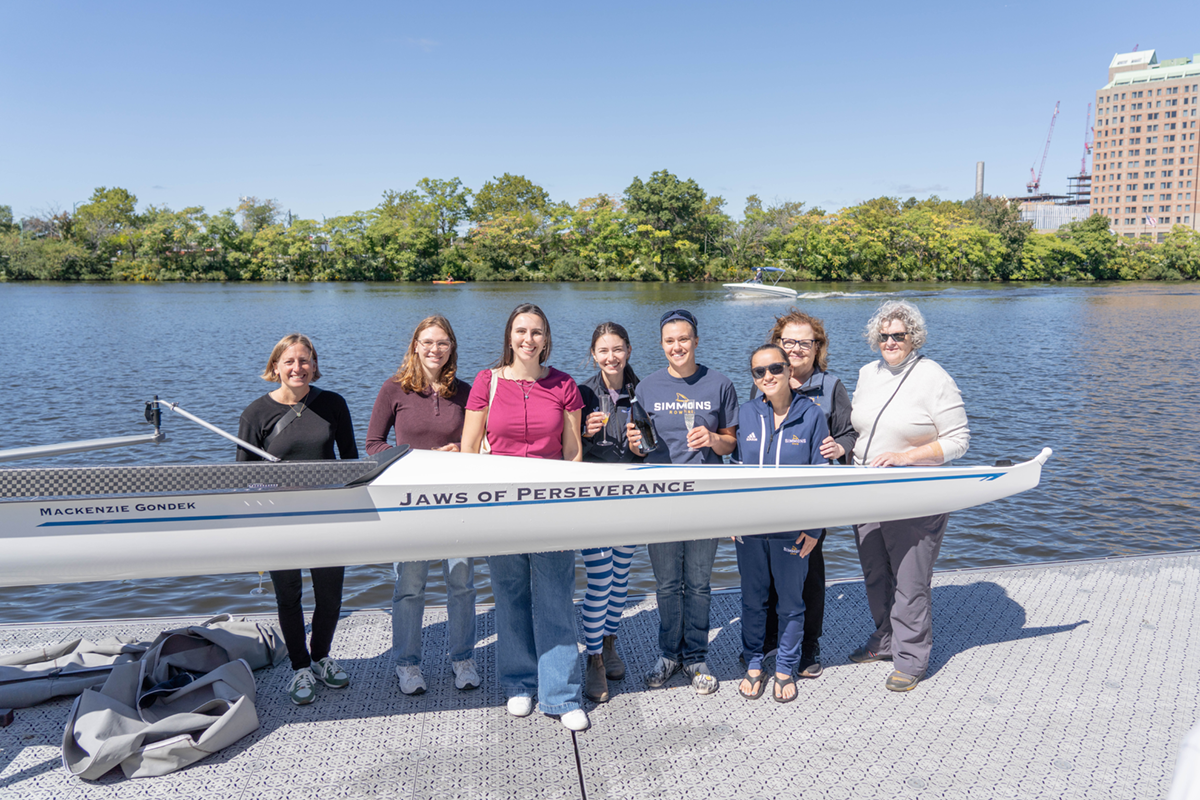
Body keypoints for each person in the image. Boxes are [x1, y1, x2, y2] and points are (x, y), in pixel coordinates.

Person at [460, 303, 588, 731]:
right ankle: (519, 683)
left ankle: (561, 694)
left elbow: (573, 452)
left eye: (536, 332)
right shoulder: (487, 382)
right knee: (510, 594)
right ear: (509, 337)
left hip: (550, 507)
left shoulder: (564, 384)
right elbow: (469, 449)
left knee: (555, 598)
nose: (528, 339)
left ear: (546, 339)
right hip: (501, 507)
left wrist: (569, 504)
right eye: (520, 331)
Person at [848, 299, 970, 692]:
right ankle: (885, 640)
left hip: (914, 494)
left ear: (913, 337)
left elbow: (958, 441)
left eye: (898, 335)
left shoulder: (934, 377)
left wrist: (906, 457)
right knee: (875, 573)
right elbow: (861, 429)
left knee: (910, 580)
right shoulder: (867, 373)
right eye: (884, 336)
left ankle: (911, 658)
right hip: (866, 491)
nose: (890, 342)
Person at [237, 333, 357, 706]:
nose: (297, 368)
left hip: (328, 517)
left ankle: (320, 658)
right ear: (275, 366)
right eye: (289, 361)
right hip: (279, 520)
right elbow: (242, 479)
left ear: (314, 365)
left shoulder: (333, 404)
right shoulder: (255, 414)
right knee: (289, 597)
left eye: (304, 360)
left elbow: (351, 462)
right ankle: (300, 667)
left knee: (330, 596)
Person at [365, 314, 478, 697]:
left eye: (442, 342)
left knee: (461, 583)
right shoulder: (394, 390)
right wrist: (418, 457)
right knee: (410, 586)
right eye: (428, 342)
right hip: (409, 504)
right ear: (415, 345)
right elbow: (373, 445)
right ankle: (408, 664)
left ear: (452, 348)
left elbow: (481, 442)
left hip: (457, 503)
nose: (435, 349)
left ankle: (463, 658)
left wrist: (461, 450)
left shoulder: (465, 392)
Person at [626, 308, 738, 696]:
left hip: (705, 498)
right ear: (662, 345)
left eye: (684, 339)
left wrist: (713, 439)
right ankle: (668, 655)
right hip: (660, 498)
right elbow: (640, 447)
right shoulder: (647, 388)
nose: (678, 346)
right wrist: (636, 445)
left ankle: (696, 657)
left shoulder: (719, 384)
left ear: (696, 341)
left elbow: (730, 443)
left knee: (699, 583)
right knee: (668, 584)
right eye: (670, 340)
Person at [759, 310, 859, 679]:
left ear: (818, 347)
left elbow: (850, 432)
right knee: (769, 568)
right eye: (789, 342)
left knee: (809, 571)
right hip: (771, 494)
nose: (796, 349)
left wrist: (841, 447)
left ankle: (808, 644)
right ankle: (771, 638)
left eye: (805, 342)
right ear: (778, 344)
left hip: (813, 496)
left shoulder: (831, 387)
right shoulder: (766, 379)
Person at [733, 344, 829, 702]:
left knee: (790, 604)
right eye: (759, 371)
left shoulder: (812, 415)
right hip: (750, 529)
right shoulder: (746, 413)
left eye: (775, 368)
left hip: (793, 529)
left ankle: (786, 668)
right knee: (752, 601)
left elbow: (822, 478)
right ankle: (755, 663)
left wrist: (814, 528)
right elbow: (735, 473)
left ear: (789, 370)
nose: (768, 376)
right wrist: (730, 518)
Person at [576, 322, 642, 703]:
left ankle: (610, 641)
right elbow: (567, 447)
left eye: (617, 349)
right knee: (600, 578)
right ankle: (594, 658)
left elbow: (651, 449)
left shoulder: (642, 391)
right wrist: (584, 433)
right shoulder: (583, 393)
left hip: (631, 496)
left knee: (620, 578)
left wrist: (640, 444)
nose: (611, 357)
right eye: (603, 350)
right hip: (594, 496)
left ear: (628, 350)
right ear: (593, 354)